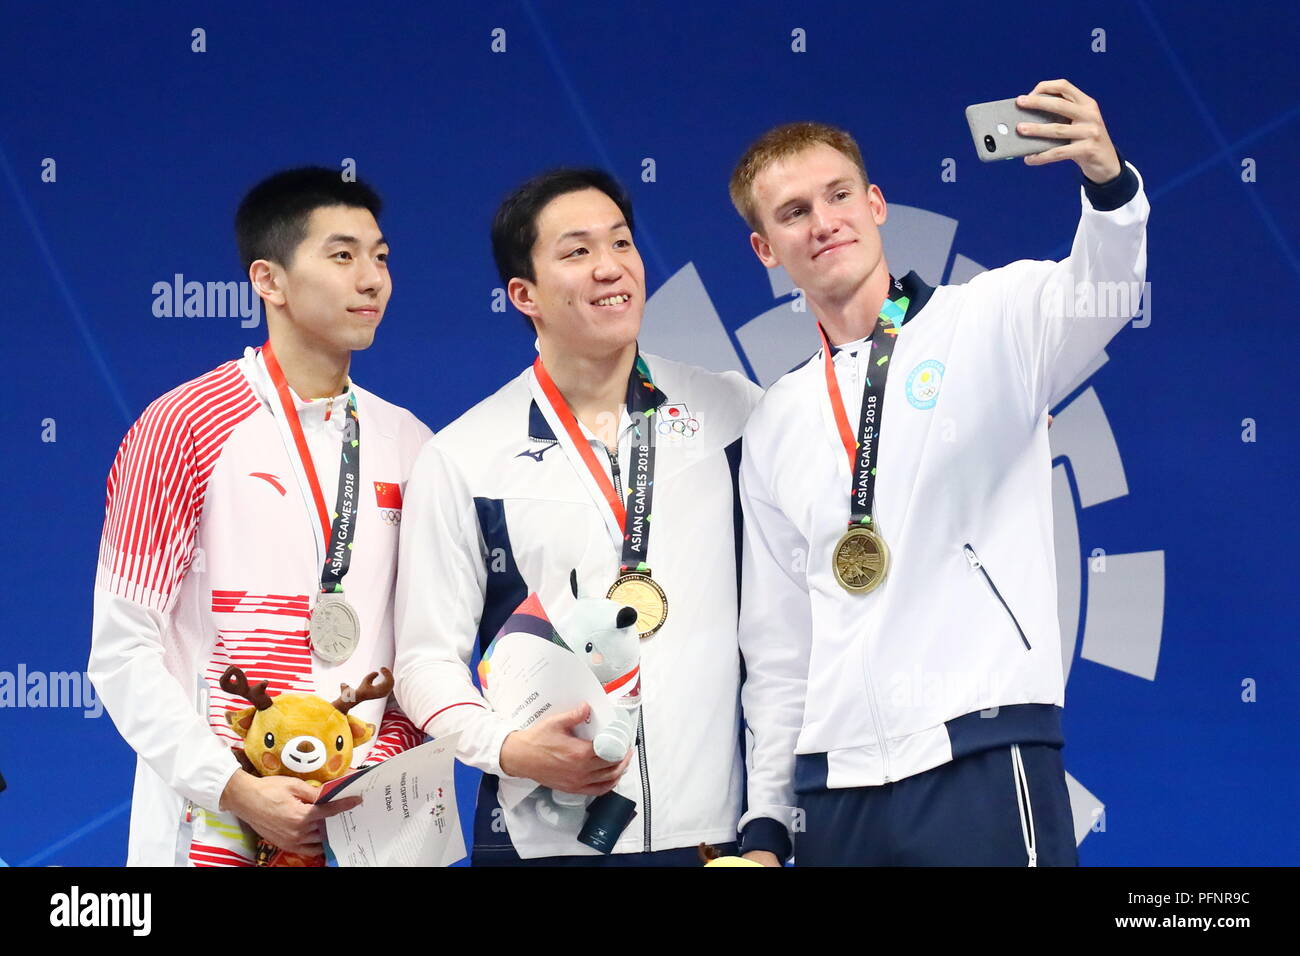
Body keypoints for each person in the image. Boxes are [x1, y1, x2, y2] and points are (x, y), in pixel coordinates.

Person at [730, 79, 1149, 865]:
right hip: (837, 783)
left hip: (981, 747)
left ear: (876, 203)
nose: (824, 223)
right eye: (793, 213)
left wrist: (1108, 183)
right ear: (766, 249)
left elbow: (1109, 291)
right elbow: (779, 642)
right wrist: (768, 822)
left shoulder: (992, 319)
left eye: (839, 195)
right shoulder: (776, 421)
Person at [393, 168, 781, 864]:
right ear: (524, 294)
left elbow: (784, 641)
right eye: (576, 252)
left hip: (712, 841)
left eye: (622, 244)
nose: (611, 268)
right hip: (545, 841)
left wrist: (769, 828)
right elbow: (424, 660)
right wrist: (507, 749)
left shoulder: (732, 414)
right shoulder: (464, 456)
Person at [88, 167, 431, 866]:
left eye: (382, 257)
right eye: (342, 256)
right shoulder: (183, 425)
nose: (372, 279)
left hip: (363, 831)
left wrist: (368, 777)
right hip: (210, 829)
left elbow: (425, 649)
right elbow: (123, 648)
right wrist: (235, 788)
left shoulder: (412, 443)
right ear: (268, 280)